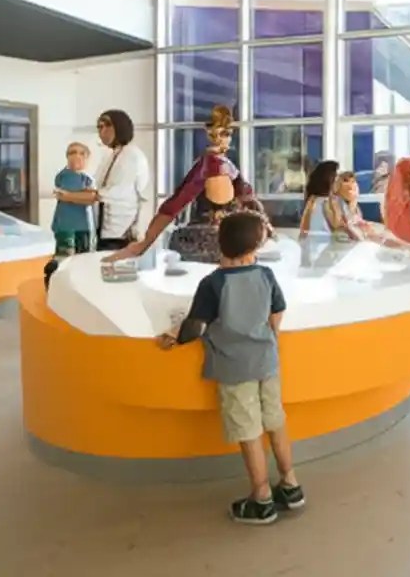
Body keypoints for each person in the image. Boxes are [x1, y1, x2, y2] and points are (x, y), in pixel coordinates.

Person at [156, 212, 304, 525]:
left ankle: (261, 498)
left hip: (235, 369)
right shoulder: (265, 275)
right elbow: (277, 313)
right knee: (275, 421)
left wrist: (173, 337)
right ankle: (290, 485)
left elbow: (195, 327)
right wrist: (266, 338)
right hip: (267, 361)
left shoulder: (213, 284)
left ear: (219, 244)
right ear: (257, 245)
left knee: (249, 430)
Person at [107, 106, 268, 264]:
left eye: (224, 134)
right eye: (216, 134)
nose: (219, 139)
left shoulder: (221, 167)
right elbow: (175, 206)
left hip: (228, 239)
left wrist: (146, 242)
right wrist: (145, 243)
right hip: (222, 240)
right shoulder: (212, 167)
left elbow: (175, 205)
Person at [55, 109, 151, 252]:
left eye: (107, 126)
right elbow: (97, 189)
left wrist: (68, 196)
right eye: (99, 127)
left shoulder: (132, 156)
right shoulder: (111, 156)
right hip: (105, 232)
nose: (102, 131)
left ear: (120, 127)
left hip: (123, 234)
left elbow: (107, 194)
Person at [51, 143, 94, 256]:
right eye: (72, 153)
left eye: (81, 153)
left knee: (83, 260)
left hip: (83, 227)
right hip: (66, 226)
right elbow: (66, 195)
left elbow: (90, 198)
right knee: (66, 261)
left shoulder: (87, 179)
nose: (77, 156)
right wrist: (87, 196)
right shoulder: (64, 176)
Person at [325, 172, 375, 241]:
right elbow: (338, 226)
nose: (350, 184)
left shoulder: (354, 205)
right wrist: (353, 203)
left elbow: (357, 223)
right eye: (345, 181)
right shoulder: (331, 202)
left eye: (353, 181)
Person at [299, 161, 339, 237]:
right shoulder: (324, 201)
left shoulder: (313, 200)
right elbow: (336, 226)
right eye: (336, 177)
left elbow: (303, 229)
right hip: (324, 243)